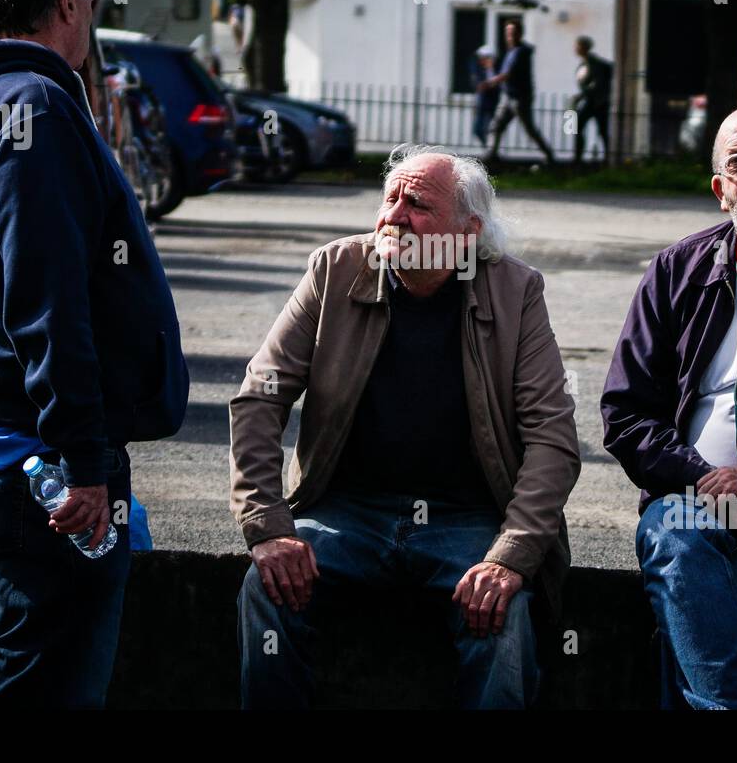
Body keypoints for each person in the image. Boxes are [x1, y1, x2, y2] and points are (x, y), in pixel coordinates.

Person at [0, 0, 189, 707]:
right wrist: (85, 461)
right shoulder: (35, 103)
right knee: (44, 678)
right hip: (33, 456)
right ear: (68, 5)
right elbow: (47, 300)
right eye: (94, 5)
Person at [231, 145, 580, 708]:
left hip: (466, 517)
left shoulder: (516, 291)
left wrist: (510, 555)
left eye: (416, 204)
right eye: (389, 198)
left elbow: (553, 438)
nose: (393, 215)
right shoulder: (334, 269)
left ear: (467, 231)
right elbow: (258, 398)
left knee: (502, 610)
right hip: (346, 511)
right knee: (265, 589)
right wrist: (269, 526)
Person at [601, 104, 737, 710]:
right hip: (693, 502)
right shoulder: (677, 269)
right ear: (721, 190)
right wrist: (703, 478)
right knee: (679, 539)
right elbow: (625, 413)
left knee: (701, 611)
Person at [480, 21, 556, 164]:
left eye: (513, 33)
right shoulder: (511, 52)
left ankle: (549, 157)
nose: (510, 36)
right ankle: (490, 157)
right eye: (508, 33)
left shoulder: (521, 52)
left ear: (520, 34)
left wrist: (490, 82)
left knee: (529, 129)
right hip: (507, 96)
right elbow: (504, 73)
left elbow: (508, 74)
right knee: (496, 126)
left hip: (520, 98)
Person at [571, 36, 613, 163]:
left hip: (597, 102)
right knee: (578, 127)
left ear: (584, 47)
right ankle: (578, 157)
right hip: (592, 101)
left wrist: (582, 95)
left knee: (601, 130)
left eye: (577, 46)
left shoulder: (593, 63)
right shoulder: (585, 63)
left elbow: (597, 83)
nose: (575, 48)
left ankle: (580, 158)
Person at [470, 45, 499, 146]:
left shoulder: (495, 70)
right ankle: (487, 147)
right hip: (481, 103)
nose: (481, 61)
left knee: (489, 130)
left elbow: (495, 85)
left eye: (484, 58)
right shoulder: (479, 71)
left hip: (491, 104)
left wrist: (490, 70)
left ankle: (490, 148)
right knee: (478, 130)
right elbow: (478, 85)